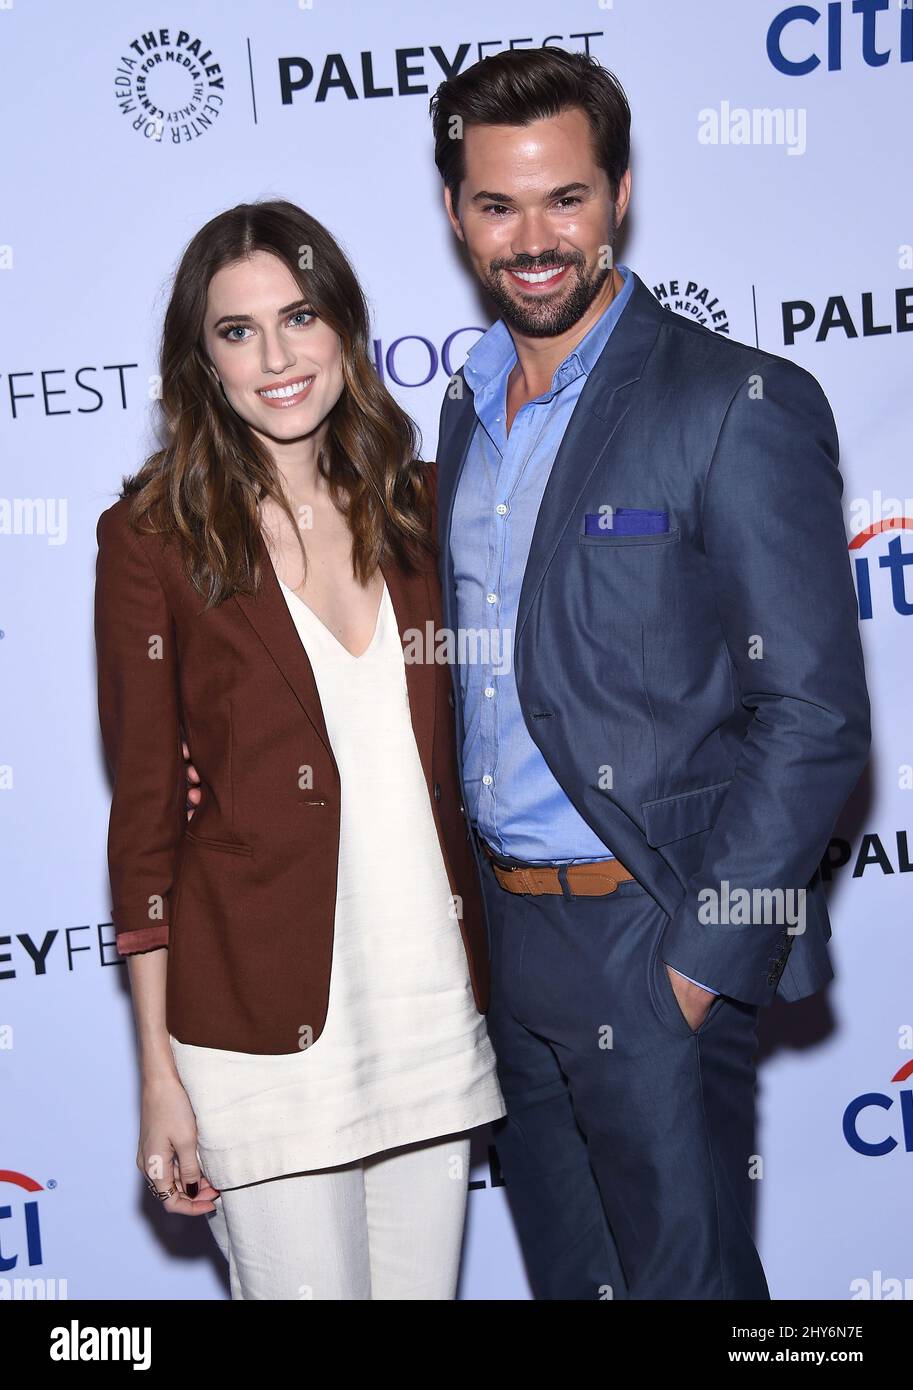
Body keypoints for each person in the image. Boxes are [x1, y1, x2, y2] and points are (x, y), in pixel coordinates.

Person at [427, 47, 871, 1299]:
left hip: (650, 926)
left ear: (619, 193)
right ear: (457, 212)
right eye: (498, 203)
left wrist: (692, 966)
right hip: (509, 942)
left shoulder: (731, 401)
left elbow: (817, 716)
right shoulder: (466, 416)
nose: (533, 238)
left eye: (564, 197)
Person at [94, 199, 505, 1301]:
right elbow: (143, 823)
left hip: (426, 1011)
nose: (276, 357)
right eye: (237, 331)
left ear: (346, 330)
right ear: (202, 360)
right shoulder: (151, 539)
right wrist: (159, 1080)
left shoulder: (422, 509)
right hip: (255, 1043)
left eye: (301, 316)